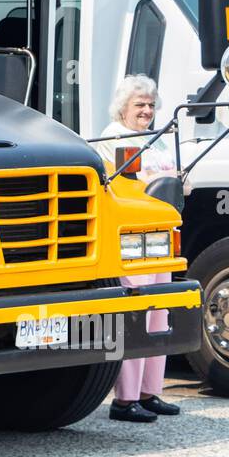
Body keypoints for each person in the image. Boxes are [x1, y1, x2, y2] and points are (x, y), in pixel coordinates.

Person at [95, 74, 182, 424]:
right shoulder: (111, 136)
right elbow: (122, 184)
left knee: (159, 313)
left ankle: (151, 392)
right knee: (136, 315)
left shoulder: (157, 140)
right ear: (123, 107)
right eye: (139, 105)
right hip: (132, 239)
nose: (146, 111)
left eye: (150, 105)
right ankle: (125, 399)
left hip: (161, 234)